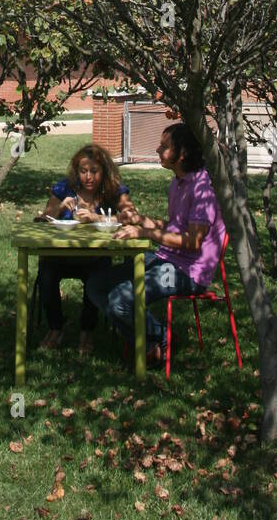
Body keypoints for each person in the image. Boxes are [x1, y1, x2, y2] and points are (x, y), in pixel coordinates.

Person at [86, 122, 225, 367]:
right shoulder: (179, 182)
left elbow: (193, 242)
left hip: (189, 273)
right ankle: (154, 341)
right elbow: (175, 227)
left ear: (181, 154)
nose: (158, 149)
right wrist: (142, 220)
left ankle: (161, 337)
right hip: (166, 258)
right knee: (95, 285)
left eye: (164, 146)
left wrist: (144, 232)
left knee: (120, 300)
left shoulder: (203, 190)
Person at [34, 144, 132, 354]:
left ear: (104, 171)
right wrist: (60, 209)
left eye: (94, 171)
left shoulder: (112, 191)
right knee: (46, 275)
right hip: (61, 256)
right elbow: (45, 218)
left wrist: (98, 217)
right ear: (76, 171)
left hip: (95, 257)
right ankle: (55, 327)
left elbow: (130, 216)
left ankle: (87, 331)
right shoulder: (65, 189)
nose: (88, 177)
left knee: (96, 277)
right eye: (83, 171)